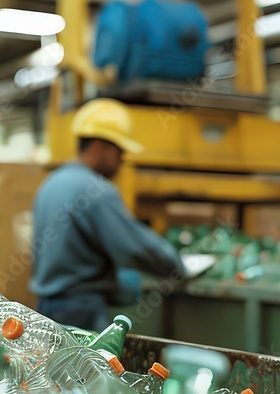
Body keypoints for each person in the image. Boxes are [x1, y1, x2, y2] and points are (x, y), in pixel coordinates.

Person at [30, 98, 183, 331]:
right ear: (101, 146)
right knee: (86, 367)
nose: (122, 160)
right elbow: (134, 246)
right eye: (119, 151)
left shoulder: (51, 183)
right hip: (80, 310)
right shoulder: (96, 190)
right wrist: (174, 263)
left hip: (47, 306)